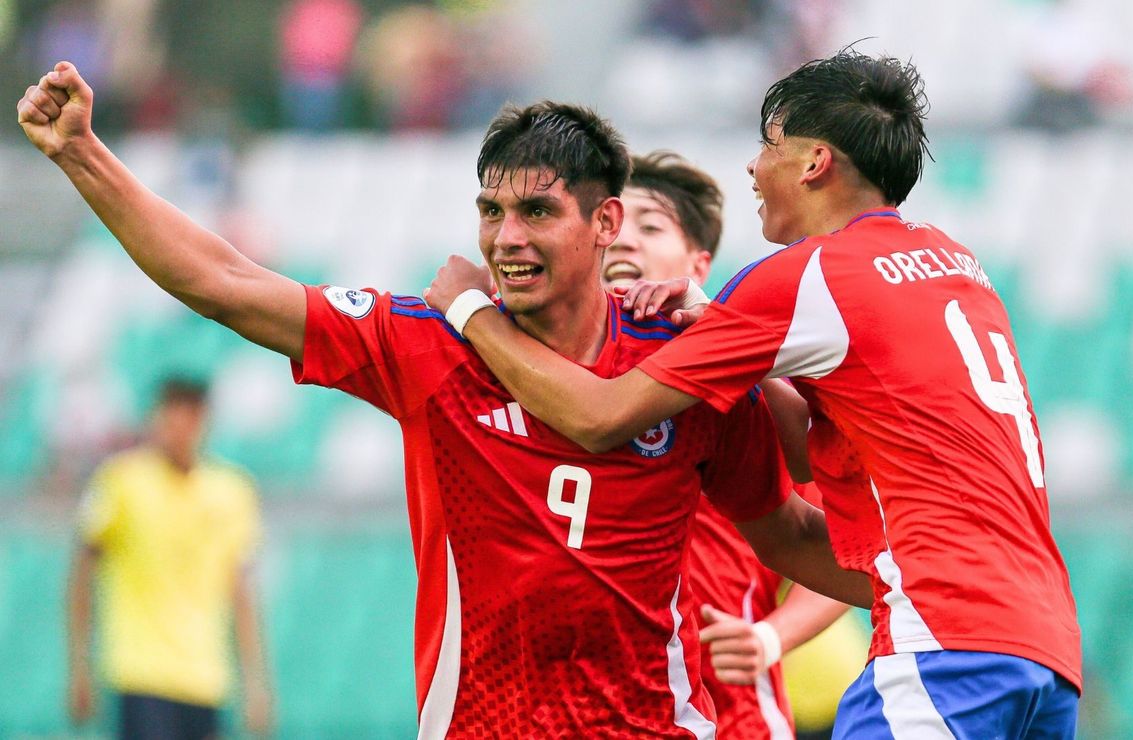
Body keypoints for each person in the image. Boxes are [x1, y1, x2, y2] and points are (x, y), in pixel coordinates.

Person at [18, 63, 867, 736]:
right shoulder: (427, 345)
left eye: (537, 210)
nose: (507, 238)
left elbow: (790, 531)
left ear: (604, 223)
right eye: (491, 211)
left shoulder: (679, 371)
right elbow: (226, 282)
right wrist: (84, 153)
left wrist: (936, 586)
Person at [425, 50, 1083, 737]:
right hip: (1046, 646)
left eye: (768, 144)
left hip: (945, 642)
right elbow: (822, 441)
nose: (752, 167)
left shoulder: (803, 277)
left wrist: (473, 311)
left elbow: (600, 417)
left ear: (814, 162)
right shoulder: (955, 264)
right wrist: (722, 326)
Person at [606, 151, 852, 739]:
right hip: (600, 707)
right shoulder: (553, 384)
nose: (623, 242)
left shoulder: (750, 396)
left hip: (730, 712)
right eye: (611, 225)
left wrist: (772, 636)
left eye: (651, 225)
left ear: (698, 262)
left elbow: (848, 541)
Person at [65, 378, 272, 739]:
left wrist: (256, 683)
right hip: (140, 673)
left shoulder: (232, 491)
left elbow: (241, 592)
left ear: (204, 421)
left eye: (190, 416)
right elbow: (82, 573)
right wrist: (79, 666)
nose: (180, 428)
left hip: (206, 677)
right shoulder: (121, 481)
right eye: (171, 415)